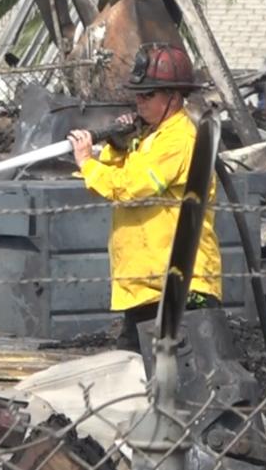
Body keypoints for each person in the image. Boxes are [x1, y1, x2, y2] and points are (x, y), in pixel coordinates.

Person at [66, 43, 222, 352]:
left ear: (173, 98)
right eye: (138, 94)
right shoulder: (153, 137)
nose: (140, 102)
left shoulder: (178, 140)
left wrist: (86, 162)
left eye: (148, 95)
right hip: (148, 287)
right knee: (138, 379)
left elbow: (128, 188)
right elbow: (128, 169)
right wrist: (118, 146)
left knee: (178, 381)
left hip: (179, 288)